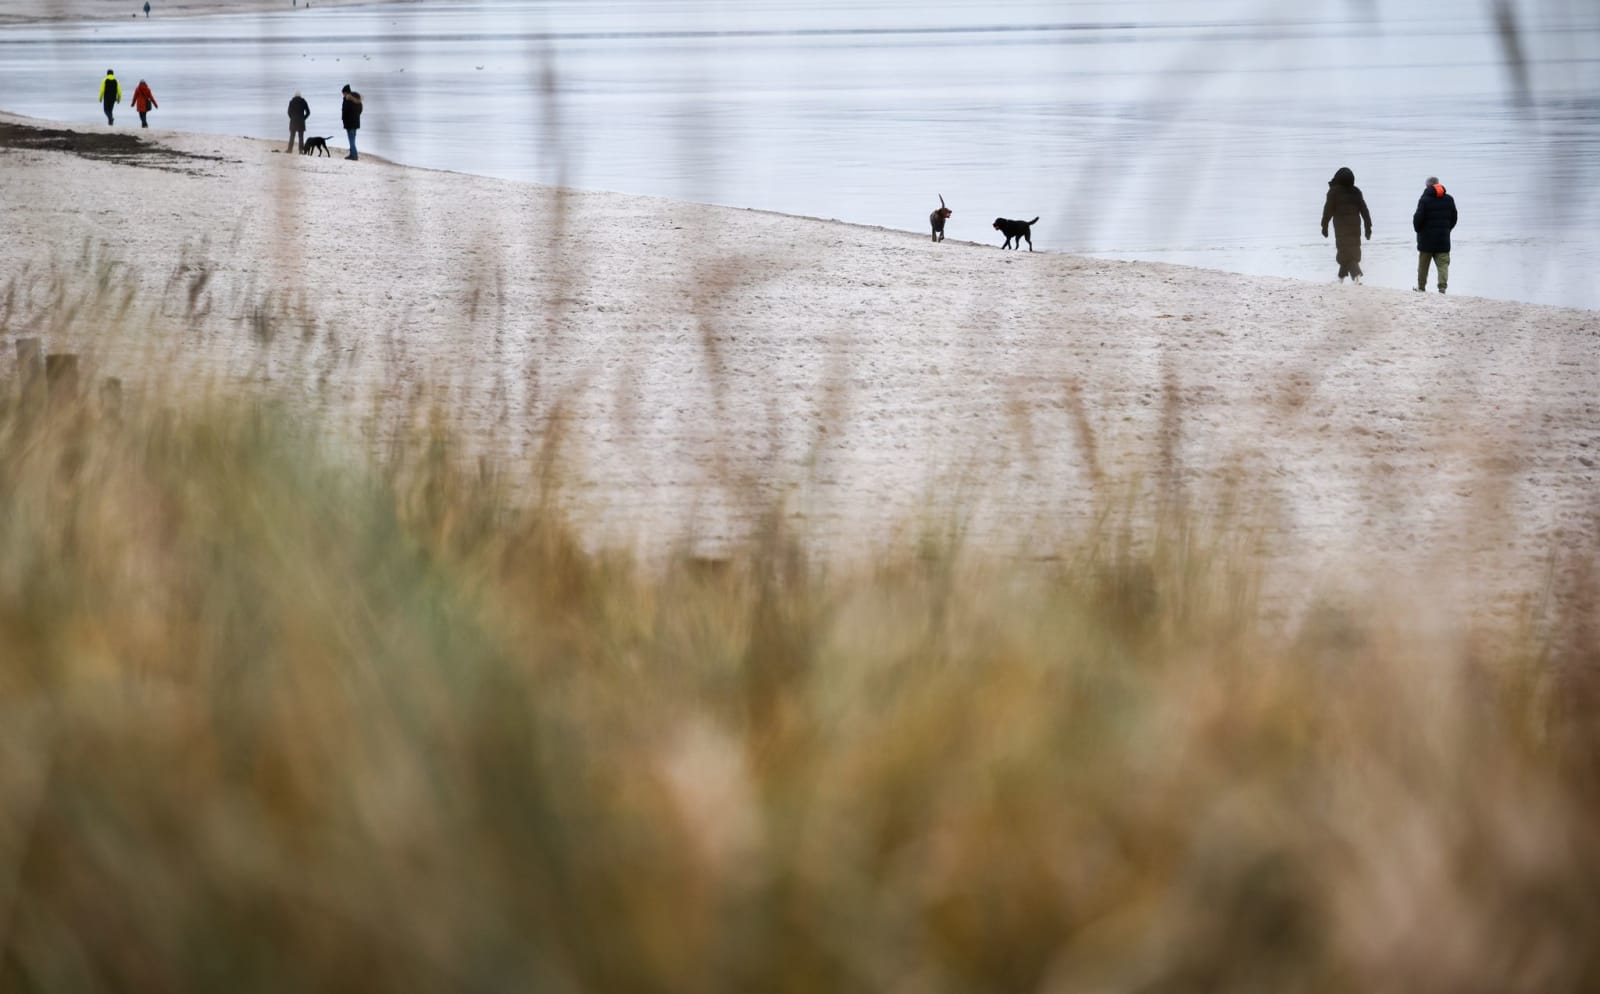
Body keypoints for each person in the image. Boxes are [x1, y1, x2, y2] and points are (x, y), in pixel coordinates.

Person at [1320, 166, 1372, 284]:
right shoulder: (1356, 191)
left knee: (1345, 253)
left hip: (1341, 227)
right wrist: (1368, 227)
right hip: (1355, 227)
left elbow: (1327, 210)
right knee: (1350, 252)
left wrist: (1324, 226)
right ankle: (1340, 279)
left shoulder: (1333, 192)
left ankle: (1357, 277)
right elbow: (1365, 211)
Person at [1413, 176, 1458, 294]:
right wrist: (1447, 230)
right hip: (1443, 239)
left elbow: (1418, 219)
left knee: (1423, 266)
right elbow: (1454, 218)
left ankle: (1421, 288)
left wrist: (1418, 230)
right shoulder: (1449, 199)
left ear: (1428, 186)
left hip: (1426, 240)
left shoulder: (1424, 200)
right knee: (1443, 265)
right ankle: (1442, 288)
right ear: (1438, 185)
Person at [340, 83, 362, 161]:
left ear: (346, 92)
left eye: (343, 93)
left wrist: (345, 119)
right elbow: (360, 110)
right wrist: (356, 117)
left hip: (349, 123)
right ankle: (352, 154)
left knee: (351, 140)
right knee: (352, 139)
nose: (343, 95)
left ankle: (354, 155)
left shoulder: (347, 100)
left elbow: (345, 111)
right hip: (355, 122)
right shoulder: (357, 100)